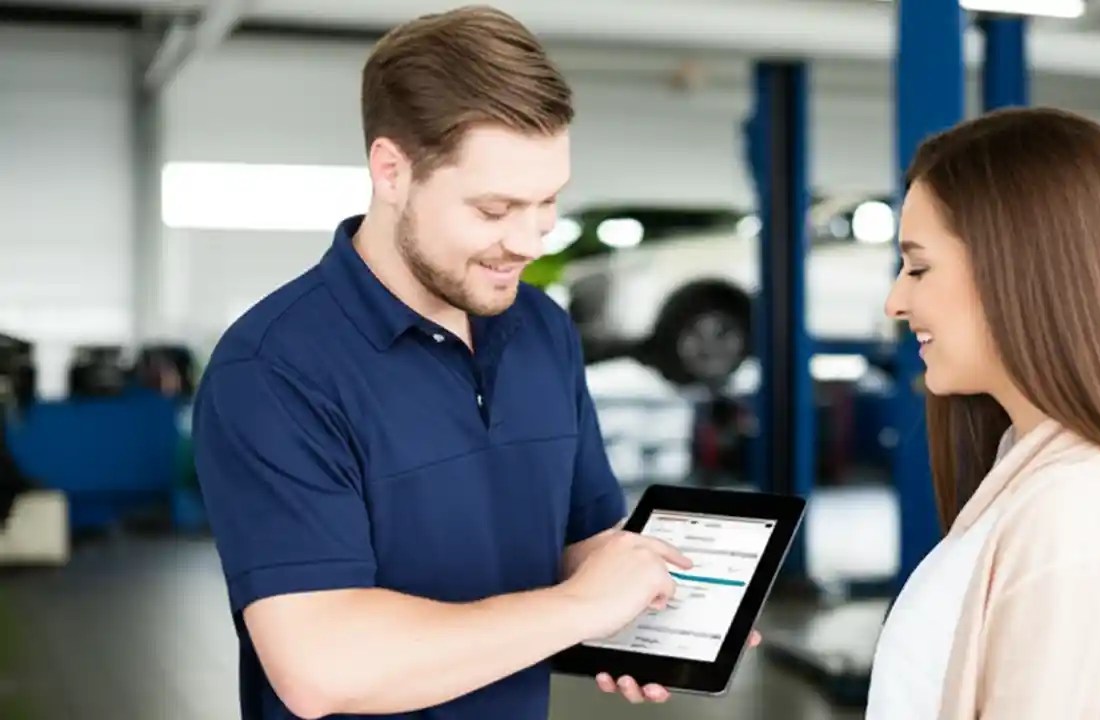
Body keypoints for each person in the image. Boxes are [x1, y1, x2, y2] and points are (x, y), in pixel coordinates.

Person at [192, 7, 756, 719]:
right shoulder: (274, 371)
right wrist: (579, 607)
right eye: (495, 209)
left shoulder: (543, 331)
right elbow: (320, 667)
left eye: (547, 202)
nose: (527, 241)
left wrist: (659, 606)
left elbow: (585, 545)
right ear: (391, 170)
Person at [864, 107, 1100, 720]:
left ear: (1018, 267)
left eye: (919, 267)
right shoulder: (1036, 478)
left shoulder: (1078, 513)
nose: (896, 301)